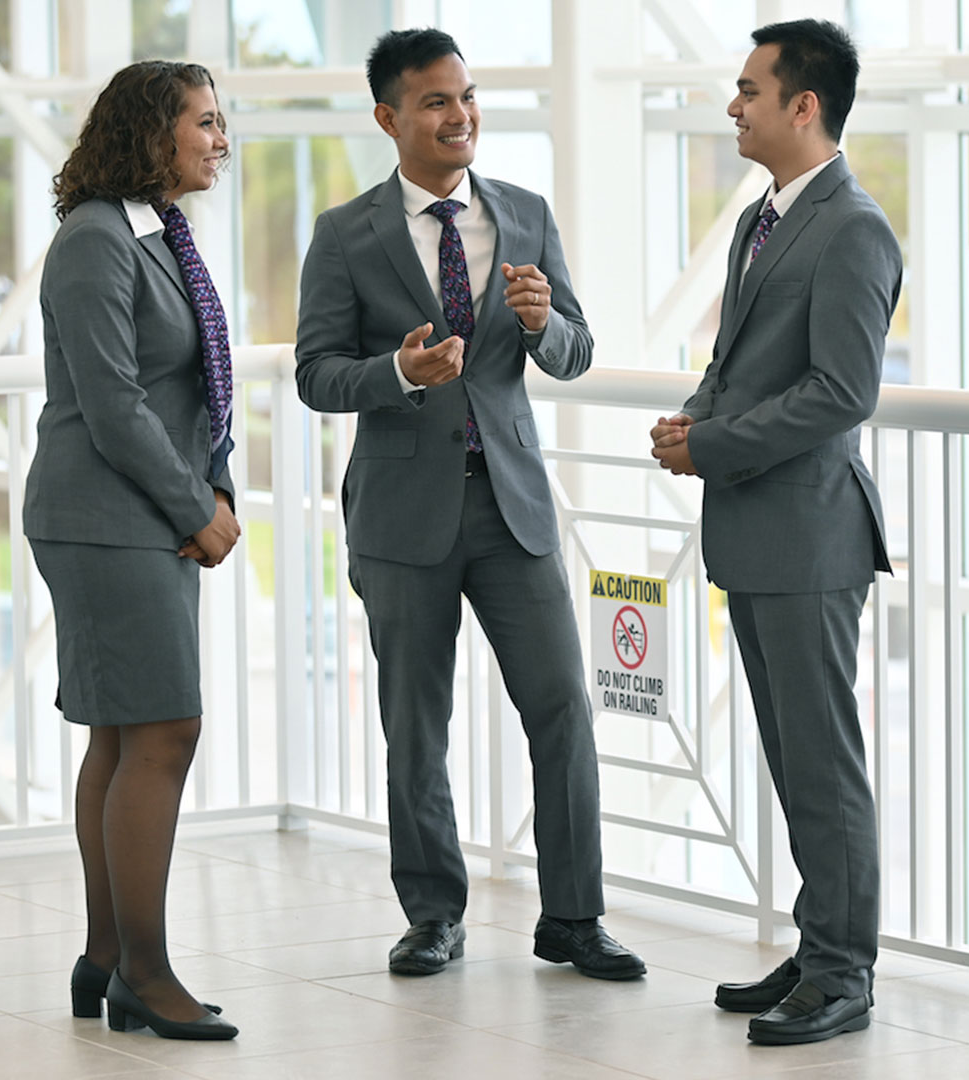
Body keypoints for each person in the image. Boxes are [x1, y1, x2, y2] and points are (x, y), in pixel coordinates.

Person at [294, 28, 643, 981]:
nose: (461, 116)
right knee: (417, 720)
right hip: (404, 513)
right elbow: (316, 377)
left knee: (563, 707)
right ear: (390, 118)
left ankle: (573, 919)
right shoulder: (344, 233)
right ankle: (432, 916)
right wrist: (398, 372)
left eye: (469, 96)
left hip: (513, 507)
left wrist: (543, 324)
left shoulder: (523, 213)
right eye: (437, 102)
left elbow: (574, 352)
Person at [648, 19, 901, 1046]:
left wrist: (716, 447)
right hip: (756, 532)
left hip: (809, 537)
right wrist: (695, 417)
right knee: (793, 758)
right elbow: (742, 357)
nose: (734, 104)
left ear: (806, 105)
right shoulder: (767, 218)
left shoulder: (854, 228)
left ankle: (845, 971)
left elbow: (842, 393)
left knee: (822, 759)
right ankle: (820, 939)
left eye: (750, 89)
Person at [23, 59, 241, 1041]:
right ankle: (147, 977)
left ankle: (106, 958)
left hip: (141, 515)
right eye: (203, 121)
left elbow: (188, 383)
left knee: (123, 734)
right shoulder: (94, 242)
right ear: (153, 132)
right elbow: (112, 407)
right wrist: (197, 507)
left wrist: (217, 481)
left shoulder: (157, 232)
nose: (219, 139)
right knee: (164, 730)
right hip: (104, 517)